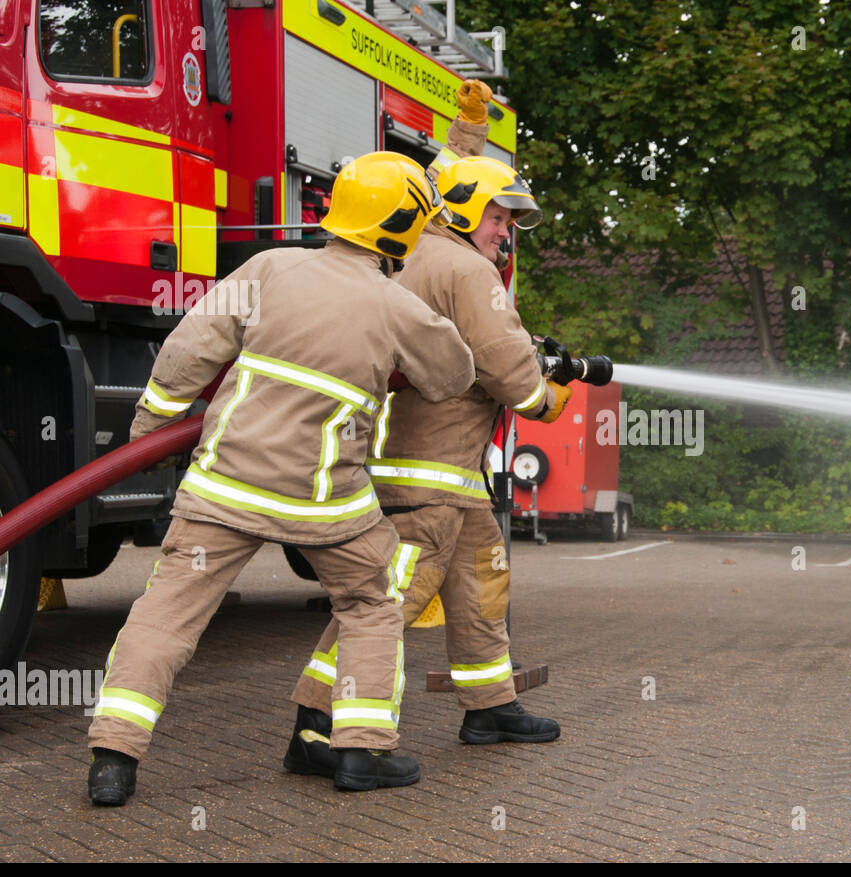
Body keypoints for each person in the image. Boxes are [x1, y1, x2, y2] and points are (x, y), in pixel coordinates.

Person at [86, 152, 476, 805]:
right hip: (325, 502)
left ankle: (113, 759)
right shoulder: (395, 305)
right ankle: (359, 751)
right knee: (371, 604)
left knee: (165, 615)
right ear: (401, 225)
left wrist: (148, 428)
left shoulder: (269, 267)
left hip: (225, 486)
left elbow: (188, 347)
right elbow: (455, 375)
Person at [284, 82, 568, 776]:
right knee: (383, 602)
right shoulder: (467, 270)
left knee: (480, 579)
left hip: (445, 472)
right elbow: (515, 377)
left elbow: (446, 178)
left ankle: (489, 703)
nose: (506, 231)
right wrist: (551, 394)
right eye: (500, 218)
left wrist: (468, 131)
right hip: (427, 478)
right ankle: (318, 726)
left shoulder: (419, 246)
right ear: (471, 213)